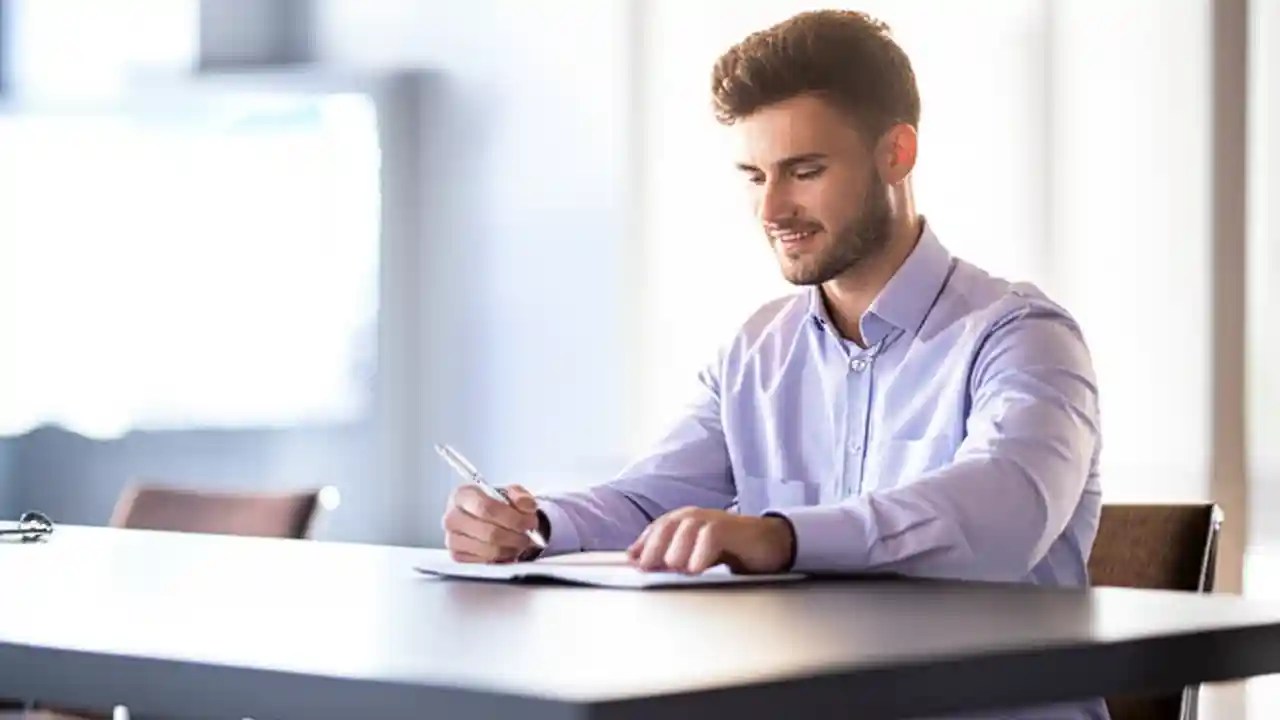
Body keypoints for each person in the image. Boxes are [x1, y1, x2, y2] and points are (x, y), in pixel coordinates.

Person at [441, 10, 1102, 588]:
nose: (772, 209)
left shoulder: (1020, 336)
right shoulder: (756, 353)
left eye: (805, 172)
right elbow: (650, 505)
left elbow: (1004, 515)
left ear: (896, 153)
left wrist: (781, 536)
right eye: (754, 176)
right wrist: (534, 526)